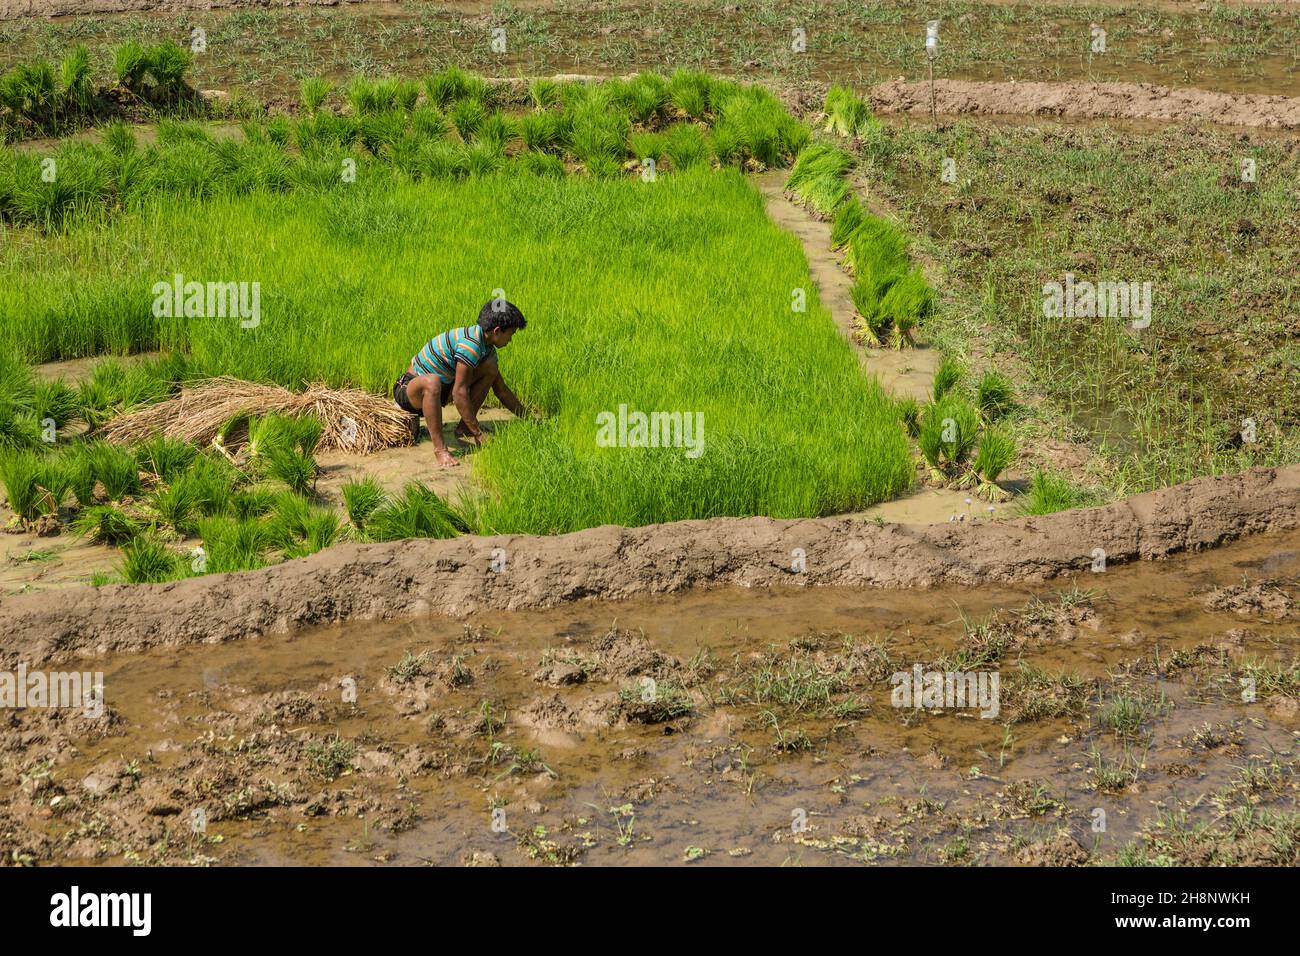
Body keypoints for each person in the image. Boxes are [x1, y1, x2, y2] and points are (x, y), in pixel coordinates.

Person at [393, 299, 529, 468]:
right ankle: (440, 450)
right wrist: (478, 433)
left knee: (490, 368)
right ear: (496, 331)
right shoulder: (470, 345)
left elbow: (501, 390)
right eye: (511, 333)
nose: (510, 340)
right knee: (432, 381)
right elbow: (459, 393)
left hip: (441, 390)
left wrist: (528, 418)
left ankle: (464, 428)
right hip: (409, 390)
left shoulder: (486, 348)